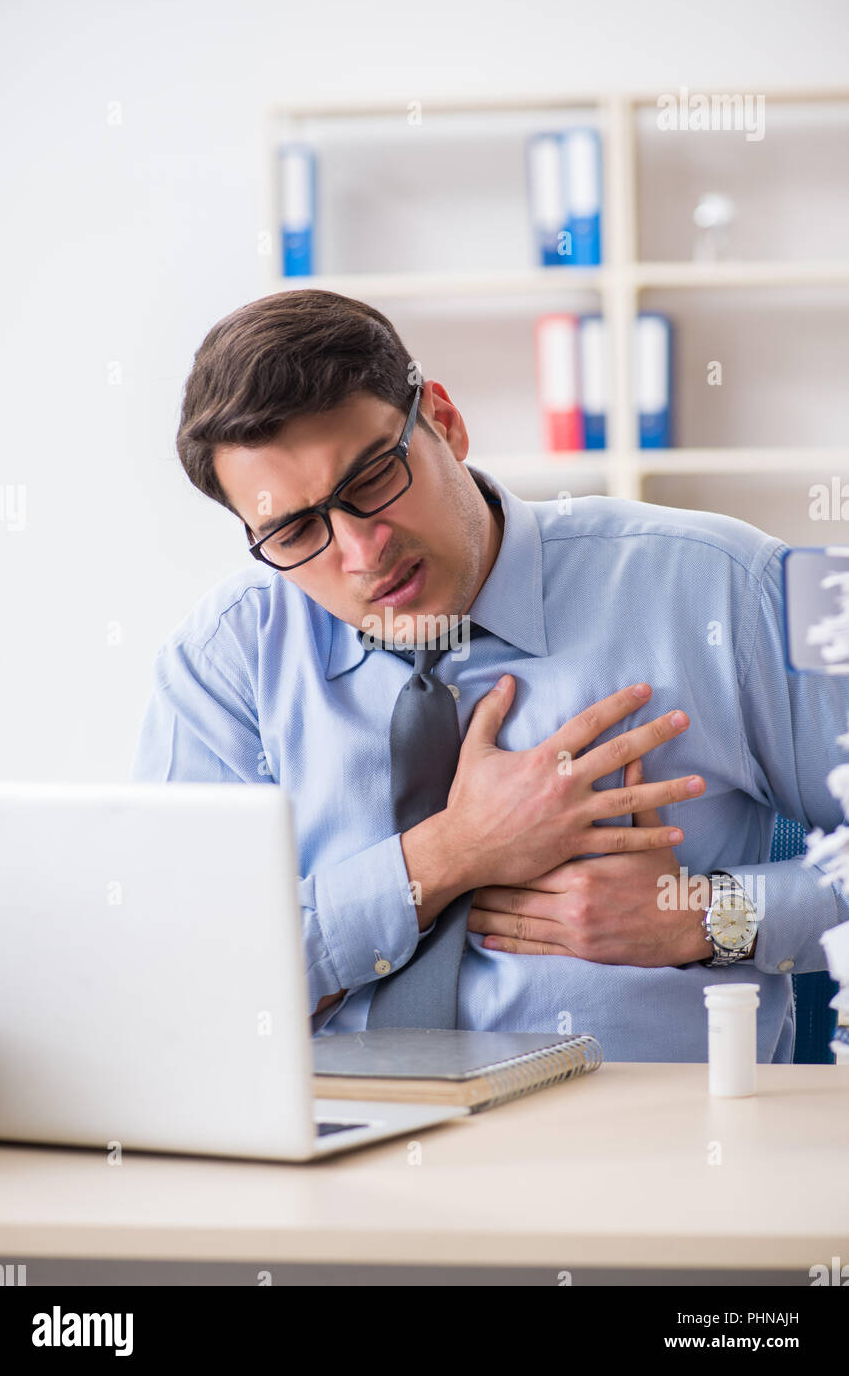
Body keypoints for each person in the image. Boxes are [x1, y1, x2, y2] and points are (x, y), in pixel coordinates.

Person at [130, 288, 849, 1061]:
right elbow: (179, 976)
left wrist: (700, 919)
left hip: (643, 1150)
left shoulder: (742, 581)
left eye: (372, 479)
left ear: (443, 420)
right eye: (297, 530)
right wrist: (448, 855)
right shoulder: (220, 660)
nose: (362, 552)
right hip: (334, 1141)